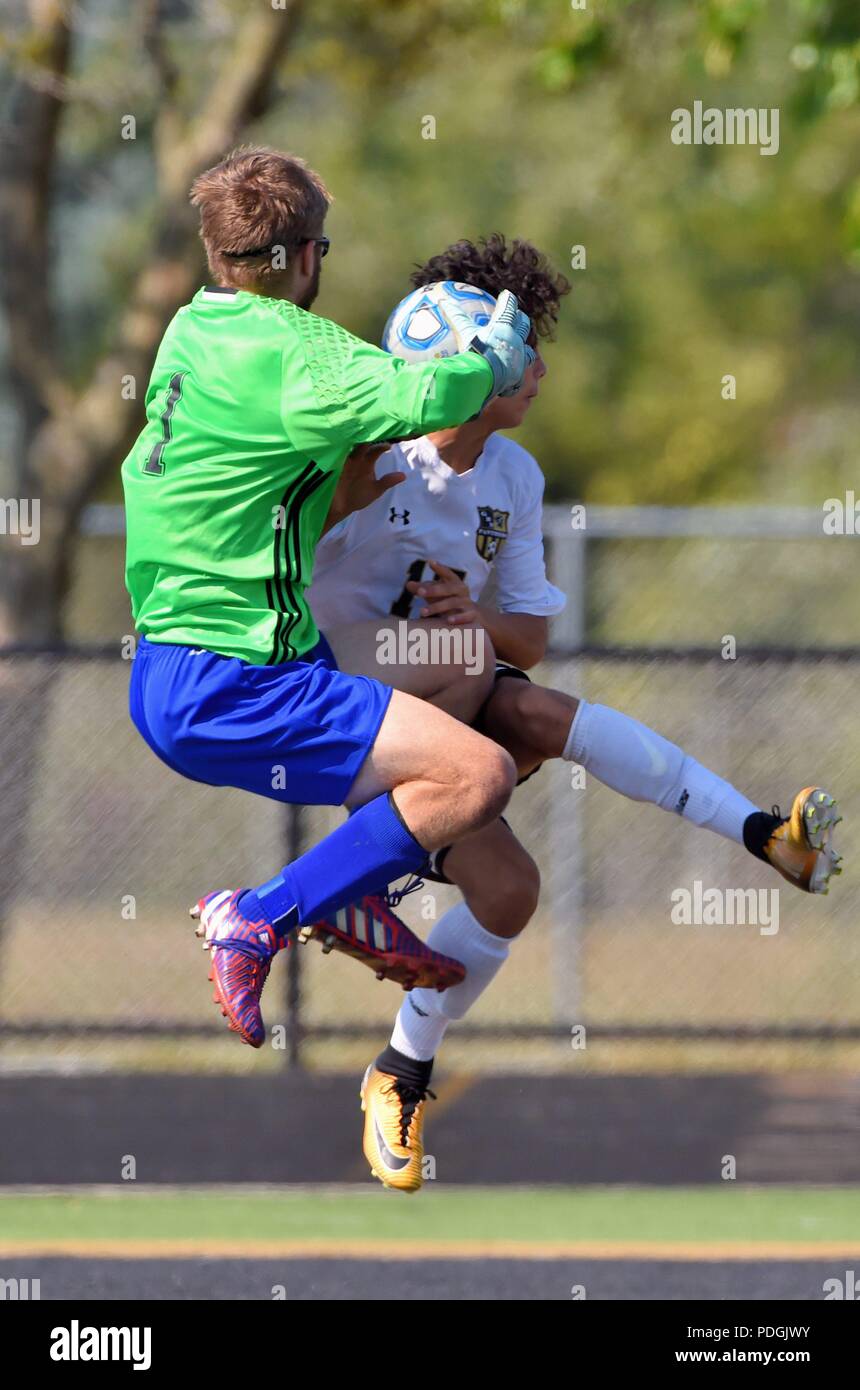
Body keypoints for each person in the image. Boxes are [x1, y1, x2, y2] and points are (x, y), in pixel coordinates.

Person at [306, 233, 843, 1192]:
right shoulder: (370, 457)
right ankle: (361, 876)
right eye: (520, 352)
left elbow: (530, 639)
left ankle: (399, 1070)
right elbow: (292, 583)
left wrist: (476, 621)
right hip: (350, 717)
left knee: (513, 889)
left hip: (452, 708)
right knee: (474, 662)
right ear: (466, 367)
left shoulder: (512, 478)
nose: (540, 368)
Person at [121, 149, 538, 1049]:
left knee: (456, 662)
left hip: (185, 668)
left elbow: (266, 477)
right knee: (479, 775)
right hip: (239, 678)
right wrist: (489, 362)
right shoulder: (301, 353)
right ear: (308, 256)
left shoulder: (192, 331)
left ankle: (350, 893)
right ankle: (263, 914)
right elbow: (432, 391)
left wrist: (335, 490)